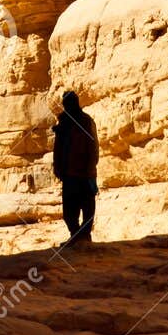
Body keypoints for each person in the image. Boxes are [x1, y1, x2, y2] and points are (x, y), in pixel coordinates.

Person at [52, 90, 99, 244]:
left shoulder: (81, 121)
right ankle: (79, 236)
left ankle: (82, 236)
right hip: (74, 174)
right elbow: (59, 148)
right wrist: (58, 166)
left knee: (84, 208)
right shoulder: (66, 122)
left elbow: (92, 146)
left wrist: (90, 167)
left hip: (80, 173)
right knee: (73, 211)